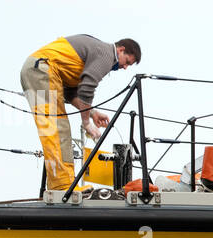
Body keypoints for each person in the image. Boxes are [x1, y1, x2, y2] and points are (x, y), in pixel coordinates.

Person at [20, 35, 141, 191]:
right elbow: (87, 88)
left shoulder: (94, 54)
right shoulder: (107, 54)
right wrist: (86, 124)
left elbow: (71, 94)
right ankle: (64, 186)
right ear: (121, 50)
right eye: (127, 62)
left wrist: (92, 113)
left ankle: (57, 185)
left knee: (52, 130)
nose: (125, 67)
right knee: (58, 129)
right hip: (43, 70)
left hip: (37, 70)